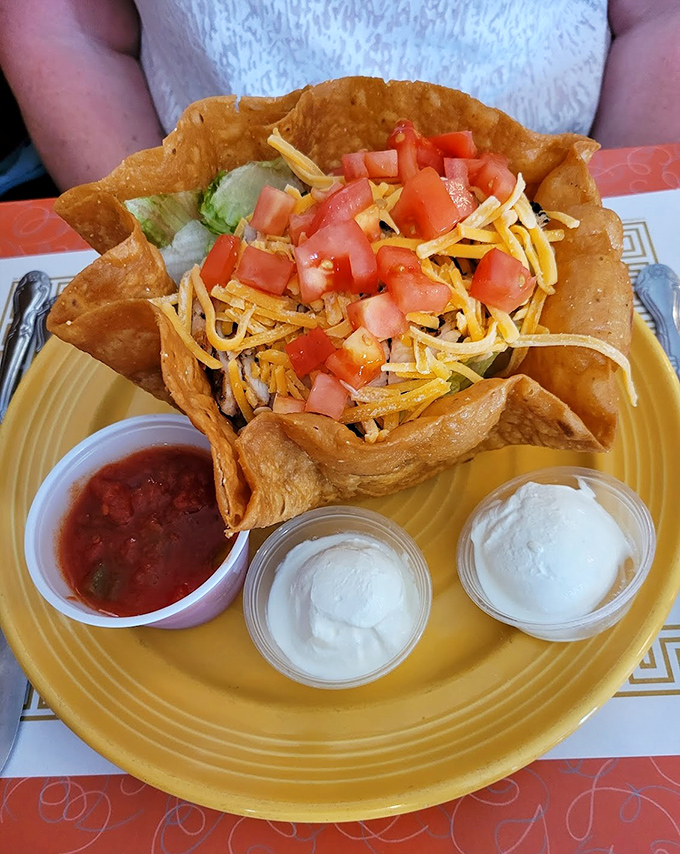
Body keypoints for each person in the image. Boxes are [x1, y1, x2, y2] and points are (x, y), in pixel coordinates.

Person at [0, 0, 678, 192]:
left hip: (556, 189)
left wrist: (603, 209)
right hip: (219, 215)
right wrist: (158, 224)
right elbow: (65, 23)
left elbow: (659, 16)